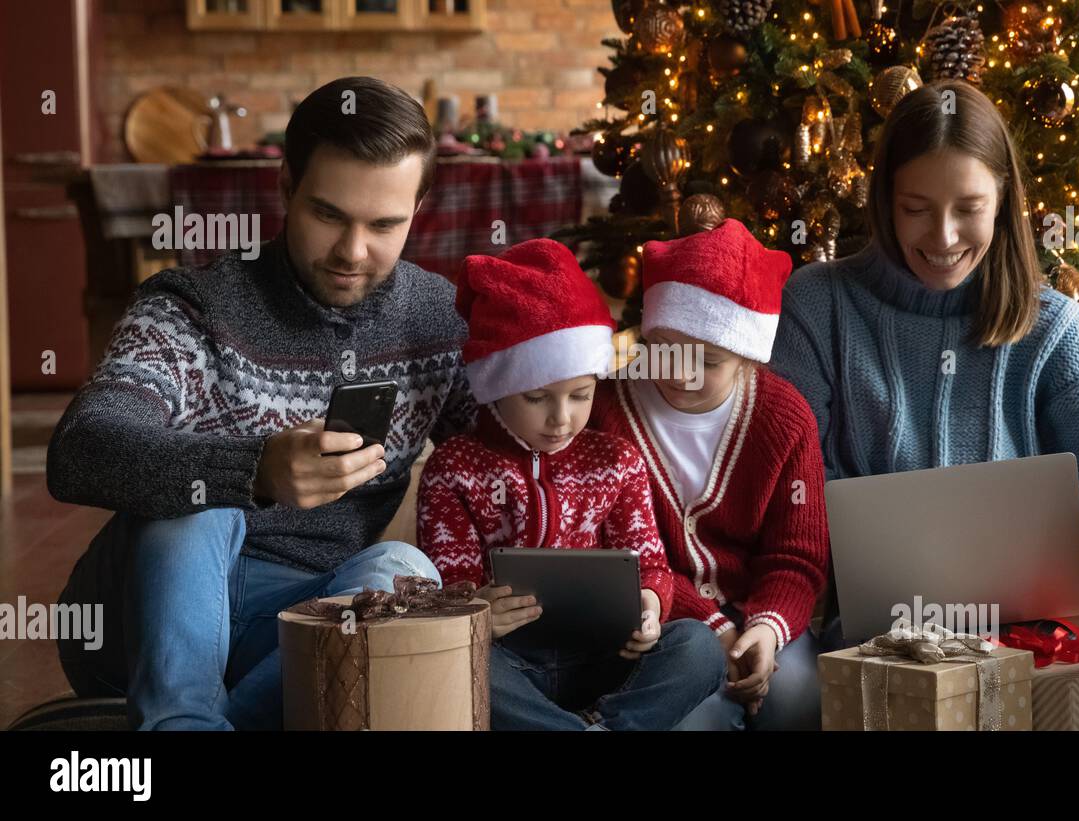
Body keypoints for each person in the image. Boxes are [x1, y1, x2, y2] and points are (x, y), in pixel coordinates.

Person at [48, 76, 475, 730]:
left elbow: (518, 443)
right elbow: (80, 451)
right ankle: (185, 715)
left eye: (385, 224)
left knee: (405, 570)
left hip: (296, 625)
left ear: (419, 207)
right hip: (142, 613)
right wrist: (255, 470)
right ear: (285, 188)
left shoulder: (438, 321)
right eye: (328, 214)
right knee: (200, 499)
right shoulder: (190, 306)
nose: (352, 252)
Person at [770, 80, 1079, 650]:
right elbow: (782, 484)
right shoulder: (818, 306)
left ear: (1004, 200)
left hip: (1032, 638)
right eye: (916, 209)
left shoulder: (1056, 329)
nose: (942, 237)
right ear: (886, 201)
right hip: (874, 643)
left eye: (969, 209)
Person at [418, 238, 725, 731]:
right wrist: (475, 610)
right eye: (537, 397)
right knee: (454, 663)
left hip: (606, 660)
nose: (561, 419)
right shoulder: (454, 468)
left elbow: (649, 565)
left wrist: (649, 606)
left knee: (697, 645)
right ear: (497, 387)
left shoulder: (617, 461)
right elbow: (444, 590)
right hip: (511, 665)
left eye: (581, 395)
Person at [589, 220, 829, 730]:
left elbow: (797, 558)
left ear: (747, 357)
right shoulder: (606, 407)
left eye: (709, 360)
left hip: (762, 614)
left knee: (799, 699)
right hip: (663, 623)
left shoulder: (784, 418)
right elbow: (615, 551)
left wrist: (765, 631)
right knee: (698, 720)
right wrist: (712, 629)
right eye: (664, 349)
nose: (680, 373)